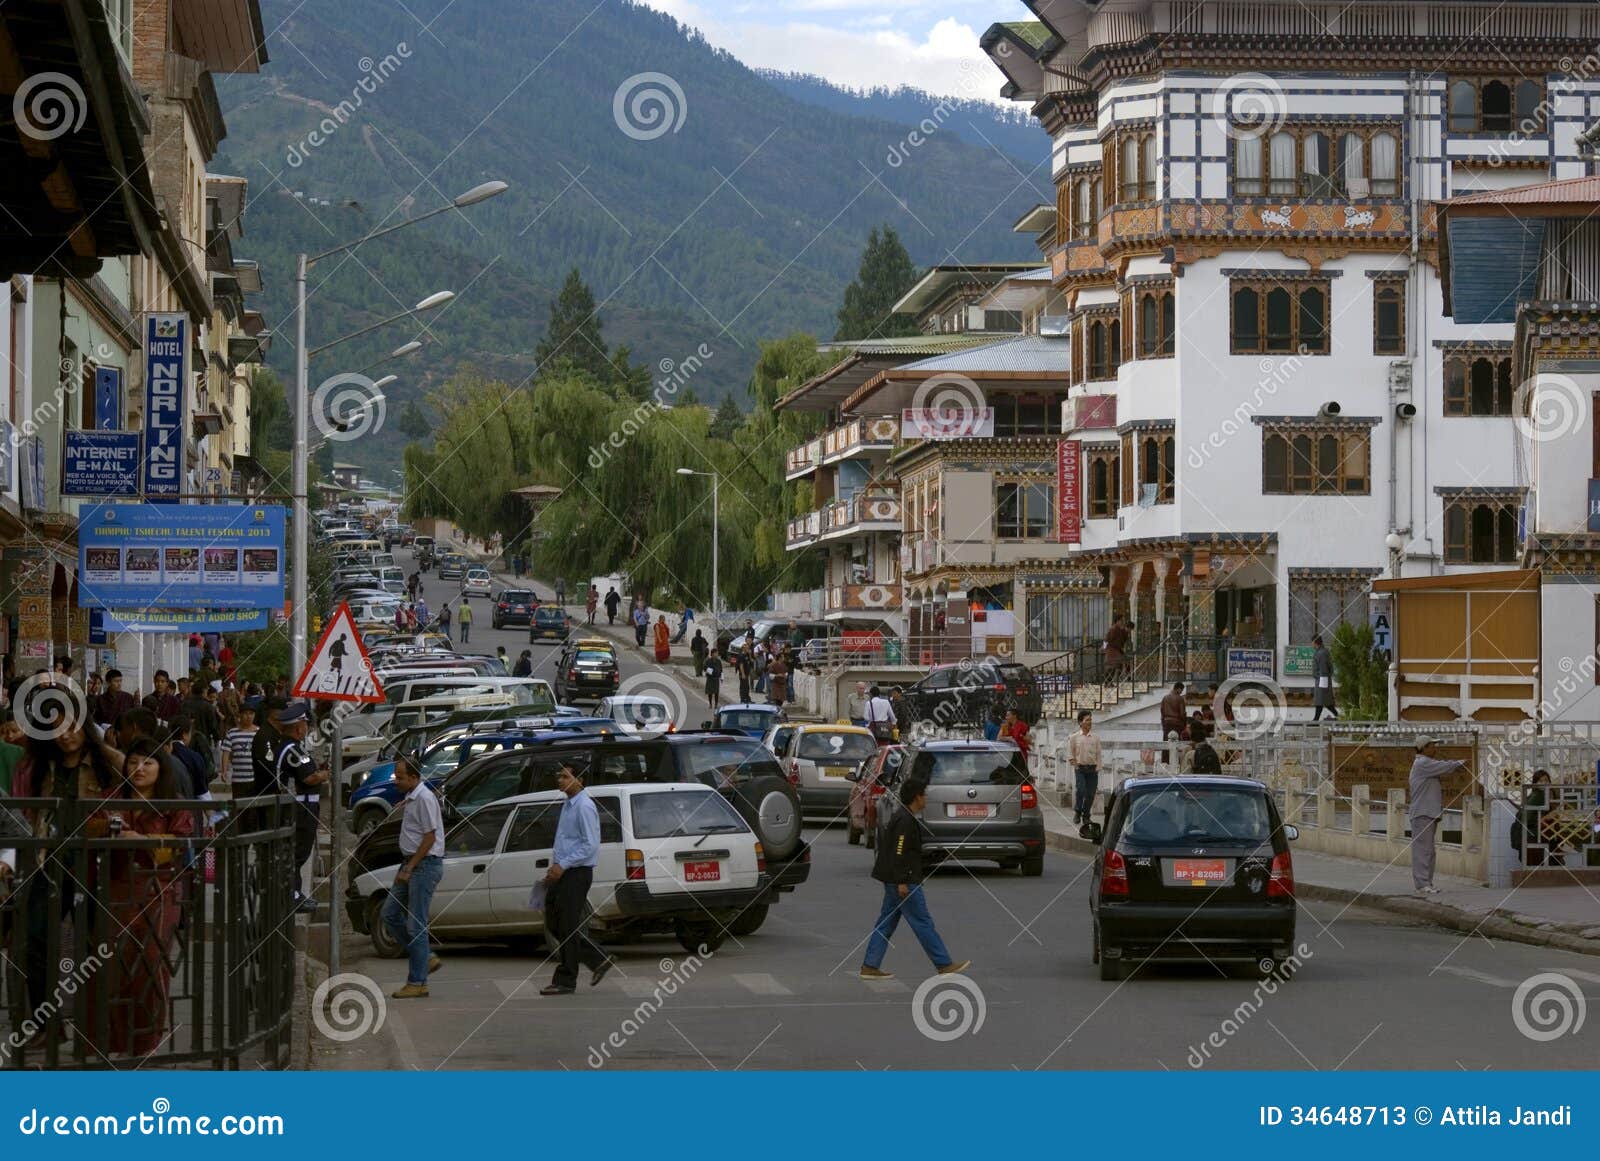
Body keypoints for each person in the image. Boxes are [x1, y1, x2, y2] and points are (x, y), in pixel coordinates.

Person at [100, 735, 194, 1056]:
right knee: (115, 964)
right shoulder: (113, 798)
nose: (139, 768)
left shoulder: (173, 802)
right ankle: (115, 1039)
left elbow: (177, 846)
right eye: (134, 761)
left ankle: (147, 1039)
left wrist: (138, 838)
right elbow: (91, 829)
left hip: (160, 892)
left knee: (152, 964)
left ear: (161, 767)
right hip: (117, 890)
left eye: (148, 762)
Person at [859, 779, 969, 980]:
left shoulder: (904, 816)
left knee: (886, 923)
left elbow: (907, 851)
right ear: (917, 797)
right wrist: (902, 881)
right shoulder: (905, 820)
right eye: (924, 795)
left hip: (897, 878)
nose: (926, 798)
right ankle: (944, 964)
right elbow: (899, 851)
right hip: (904, 881)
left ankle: (870, 965)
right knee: (922, 922)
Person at [540, 763, 613, 996]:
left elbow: (590, 844)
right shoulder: (568, 804)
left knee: (567, 926)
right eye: (558, 775)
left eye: (565, 776)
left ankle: (566, 979)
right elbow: (567, 840)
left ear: (579, 780)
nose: (560, 780)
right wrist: (556, 867)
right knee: (554, 922)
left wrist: (564, 864)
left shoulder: (584, 806)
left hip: (576, 873)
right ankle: (598, 958)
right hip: (562, 871)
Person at [384, 757, 445, 999]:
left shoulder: (424, 798)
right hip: (410, 863)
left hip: (423, 865)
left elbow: (430, 837)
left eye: (400, 777)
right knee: (389, 913)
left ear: (414, 777)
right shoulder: (411, 798)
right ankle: (425, 956)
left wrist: (411, 867)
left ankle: (418, 982)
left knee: (415, 924)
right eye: (396, 776)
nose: (396, 780)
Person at [264, 701, 329, 913]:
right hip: (299, 809)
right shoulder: (291, 748)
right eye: (306, 725)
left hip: (296, 807)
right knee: (297, 853)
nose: (308, 729)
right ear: (299, 726)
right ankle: (291, 896)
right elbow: (309, 777)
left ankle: (295, 892)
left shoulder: (287, 746)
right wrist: (324, 774)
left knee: (295, 853)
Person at [1407, 737, 1465, 895]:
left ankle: (1427, 883)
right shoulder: (1422, 763)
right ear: (1424, 748)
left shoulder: (1425, 764)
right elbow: (1445, 766)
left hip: (1428, 813)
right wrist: (1460, 763)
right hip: (1422, 813)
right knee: (1423, 850)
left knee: (1429, 851)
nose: (1435, 748)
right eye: (1432, 746)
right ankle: (1422, 884)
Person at [1067, 710, 1100, 827]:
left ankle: (1086, 816)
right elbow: (1071, 754)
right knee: (1081, 790)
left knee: (1091, 794)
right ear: (1080, 722)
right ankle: (1077, 811)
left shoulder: (1095, 738)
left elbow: (1098, 754)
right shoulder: (1074, 737)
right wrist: (1075, 765)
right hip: (1080, 768)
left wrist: (1098, 767)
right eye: (1087, 720)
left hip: (1092, 769)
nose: (1089, 722)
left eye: (1090, 720)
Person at [221, 702, 258, 790]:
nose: (248, 716)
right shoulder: (232, 733)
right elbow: (226, 753)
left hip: (255, 778)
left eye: (251, 714)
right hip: (238, 779)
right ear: (240, 715)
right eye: (245, 713)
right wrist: (224, 771)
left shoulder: (259, 733)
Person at [1311, 635, 1337, 721]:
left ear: (1315, 642)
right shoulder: (1323, 652)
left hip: (1322, 681)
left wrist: (1323, 682)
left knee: (1322, 701)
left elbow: (1324, 669)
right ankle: (1316, 719)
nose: (1311, 644)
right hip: (1322, 680)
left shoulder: (1321, 653)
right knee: (1323, 702)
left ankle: (1315, 720)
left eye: (1312, 642)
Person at [1102, 614, 1131, 682]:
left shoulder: (1120, 629)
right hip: (1112, 650)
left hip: (1117, 650)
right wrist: (1104, 648)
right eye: (1121, 620)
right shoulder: (1113, 629)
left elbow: (1123, 639)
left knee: (1119, 664)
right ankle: (1107, 682)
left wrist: (1126, 631)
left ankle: (1116, 679)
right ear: (1117, 621)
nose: (1123, 622)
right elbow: (1106, 639)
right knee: (1112, 666)